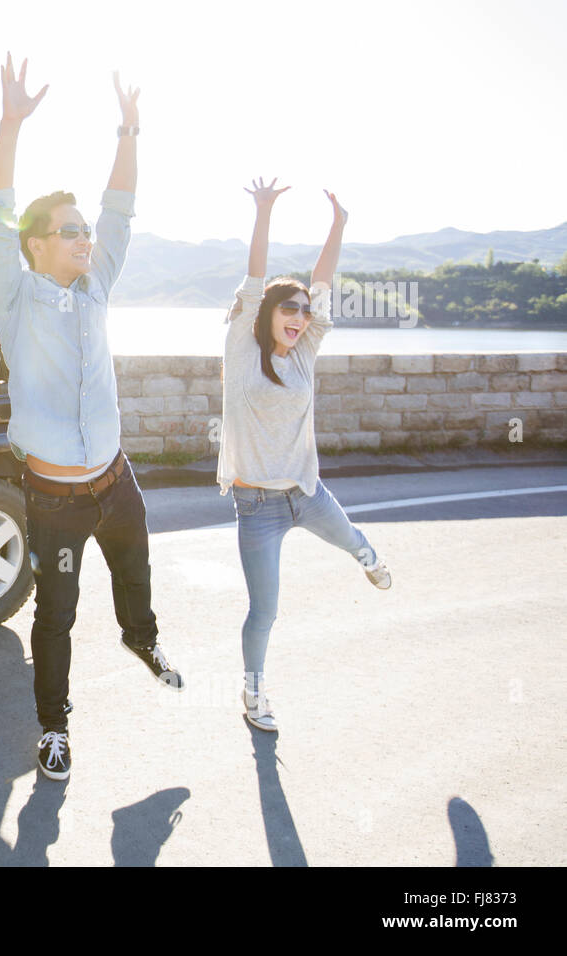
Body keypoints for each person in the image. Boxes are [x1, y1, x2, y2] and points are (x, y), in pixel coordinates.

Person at [0, 55, 181, 783]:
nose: (83, 237)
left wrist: (128, 127)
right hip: (56, 501)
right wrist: (8, 124)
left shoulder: (97, 286)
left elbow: (121, 206)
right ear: (36, 243)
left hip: (116, 482)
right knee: (55, 617)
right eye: (68, 230)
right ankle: (54, 730)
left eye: (82, 229)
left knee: (136, 572)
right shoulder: (15, 295)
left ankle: (142, 639)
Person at [219, 178, 391, 733]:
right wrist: (264, 211)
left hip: (307, 492)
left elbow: (323, 282)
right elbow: (253, 279)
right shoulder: (243, 352)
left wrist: (339, 224)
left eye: (303, 310)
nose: (299, 315)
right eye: (288, 308)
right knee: (264, 611)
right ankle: (254, 694)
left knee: (353, 542)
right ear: (267, 312)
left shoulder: (305, 350)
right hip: (257, 506)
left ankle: (366, 556)